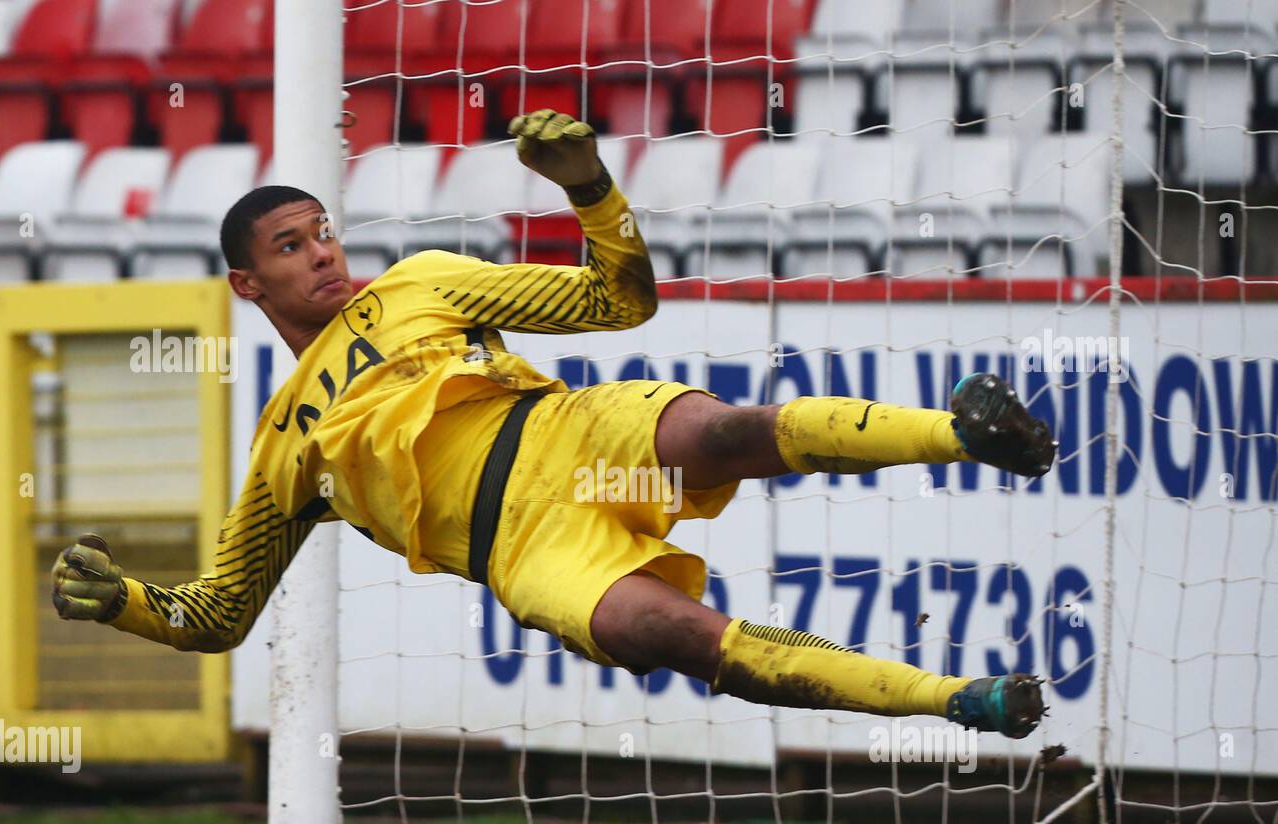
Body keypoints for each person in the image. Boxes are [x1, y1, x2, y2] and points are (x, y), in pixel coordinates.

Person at [52, 109, 1056, 739]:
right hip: (526, 551)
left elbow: (619, 303)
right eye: (289, 245)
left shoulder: (420, 283)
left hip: (567, 435)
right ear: (246, 281)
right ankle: (956, 700)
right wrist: (127, 600)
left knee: (718, 435)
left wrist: (590, 188)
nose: (321, 254)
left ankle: (966, 433)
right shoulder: (283, 449)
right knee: (673, 634)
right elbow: (217, 617)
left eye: (323, 231)